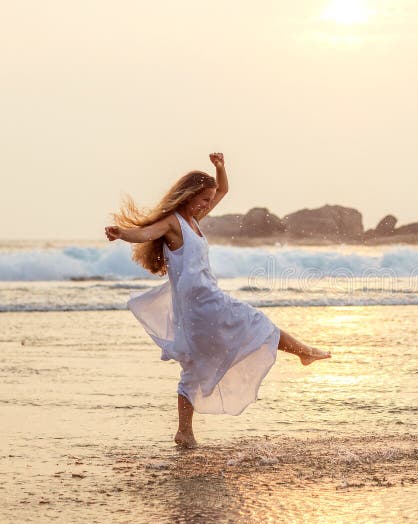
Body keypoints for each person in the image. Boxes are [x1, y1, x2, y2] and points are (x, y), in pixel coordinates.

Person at [105, 152, 330, 449]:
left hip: (199, 304)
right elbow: (146, 232)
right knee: (256, 322)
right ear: (187, 196)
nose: (207, 204)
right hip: (204, 303)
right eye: (203, 199)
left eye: (209, 200)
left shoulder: (193, 220)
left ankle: (184, 432)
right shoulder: (173, 222)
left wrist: (220, 168)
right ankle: (304, 351)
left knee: (193, 366)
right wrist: (123, 233)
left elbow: (223, 189)